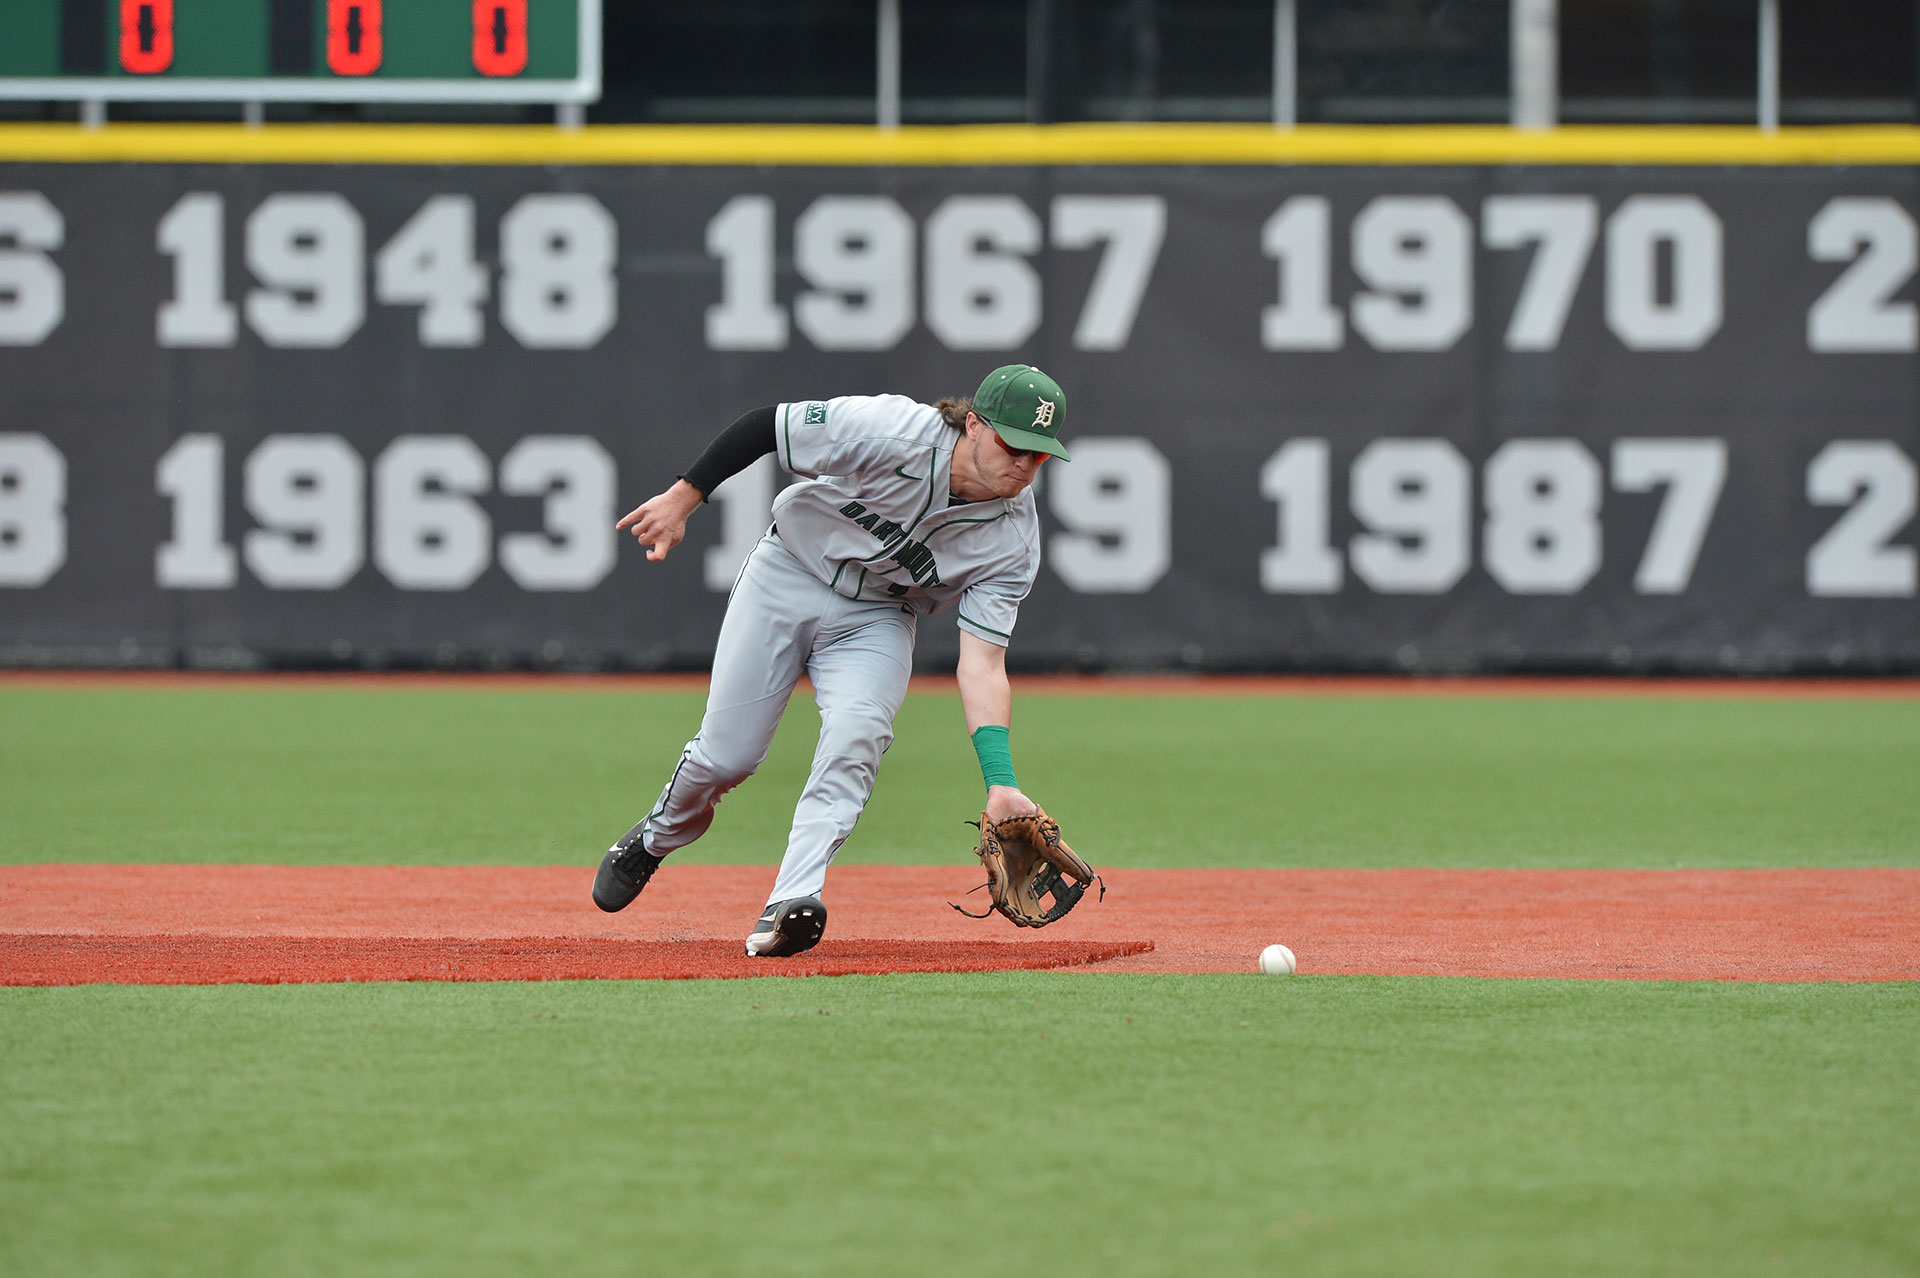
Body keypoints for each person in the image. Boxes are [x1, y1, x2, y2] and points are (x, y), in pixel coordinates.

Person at [592, 365, 1072, 957]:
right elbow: (764, 425)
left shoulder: (1014, 541)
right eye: (1013, 445)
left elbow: (983, 666)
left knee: (859, 735)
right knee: (726, 758)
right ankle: (657, 836)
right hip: (788, 572)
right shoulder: (893, 430)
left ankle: (791, 900)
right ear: (973, 425)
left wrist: (1001, 781)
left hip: (878, 616)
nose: (1024, 466)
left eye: (1040, 455)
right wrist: (682, 497)